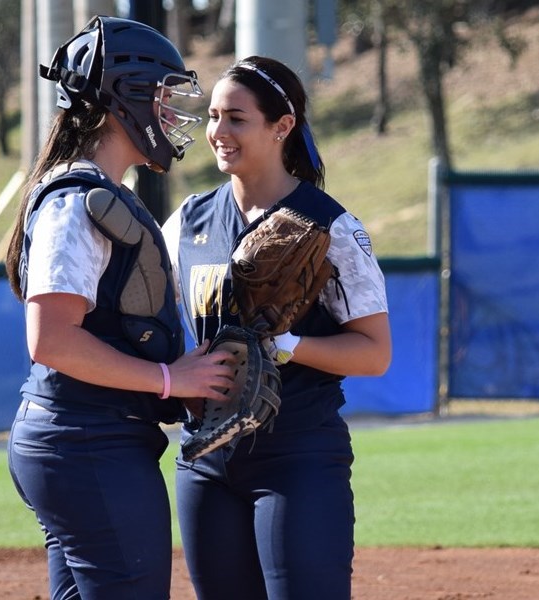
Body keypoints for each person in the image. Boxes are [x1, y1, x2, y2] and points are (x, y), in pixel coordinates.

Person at [3, 16, 235, 600]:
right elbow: (50, 340)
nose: (173, 114)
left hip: (86, 439)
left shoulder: (98, 192)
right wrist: (167, 377)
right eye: (162, 96)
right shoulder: (78, 199)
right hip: (86, 442)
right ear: (122, 98)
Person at [161, 56, 393, 599]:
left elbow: (374, 353)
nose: (218, 131)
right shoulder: (189, 221)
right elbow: (160, 321)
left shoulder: (327, 225)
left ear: (282, 126)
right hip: (207, 454)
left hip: (298, 453)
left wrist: (287, 345)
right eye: (214, 116)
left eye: (237, 118)